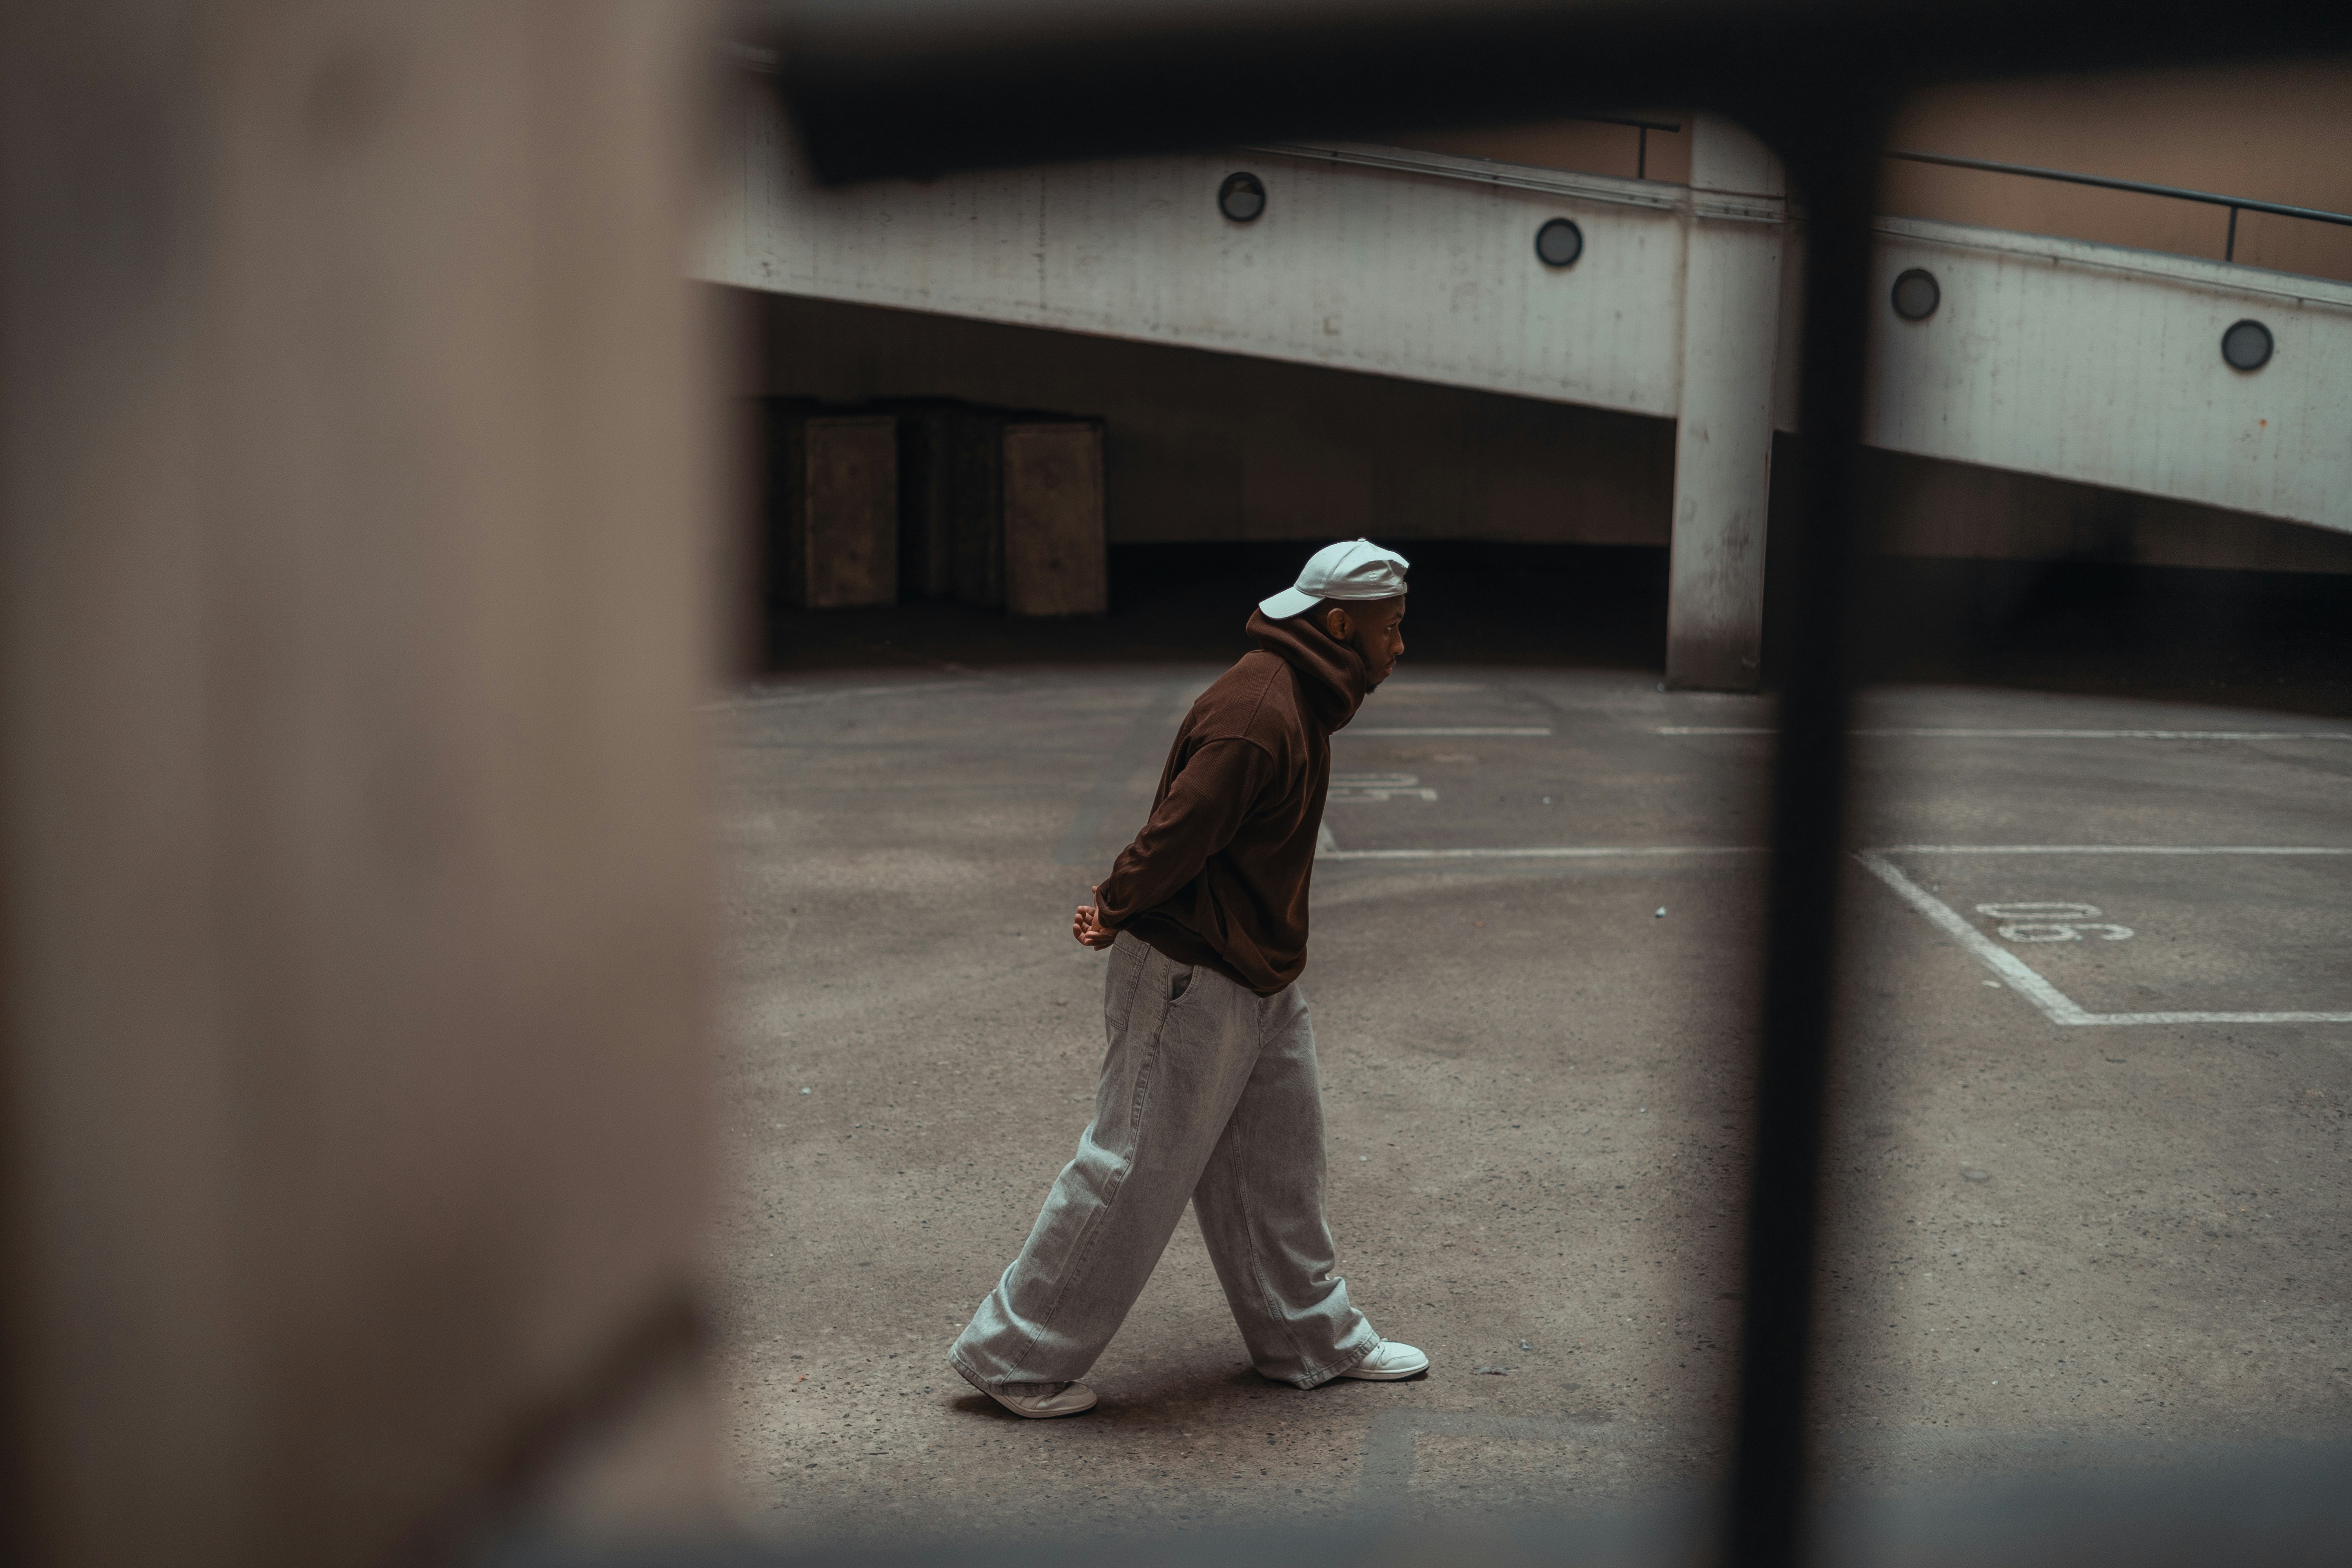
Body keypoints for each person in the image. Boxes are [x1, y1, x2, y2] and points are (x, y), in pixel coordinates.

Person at [949, 539, 1429, 1418]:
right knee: (1131, 1168)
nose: (1401, 645)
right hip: (1190, 974)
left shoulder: (1300, 694)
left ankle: (1305, 1337)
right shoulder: (1262, 712)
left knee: (1281, 1160)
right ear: (1336, 624)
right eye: (1390, 627)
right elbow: (1183, 827)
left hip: (1258, 971)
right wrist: (1118, 903)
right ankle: (1014, 1356)